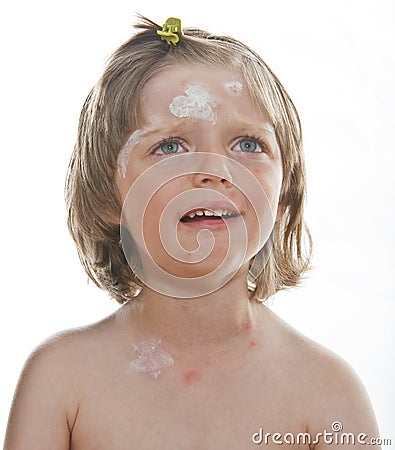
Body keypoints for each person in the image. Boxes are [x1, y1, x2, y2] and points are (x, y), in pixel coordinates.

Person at [4, 16, 381, 449]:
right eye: (169, 147)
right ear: (109, 197)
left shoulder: (328, 393)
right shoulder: (63, 382)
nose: (214, 171)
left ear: (283, 199)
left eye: (247, 145)